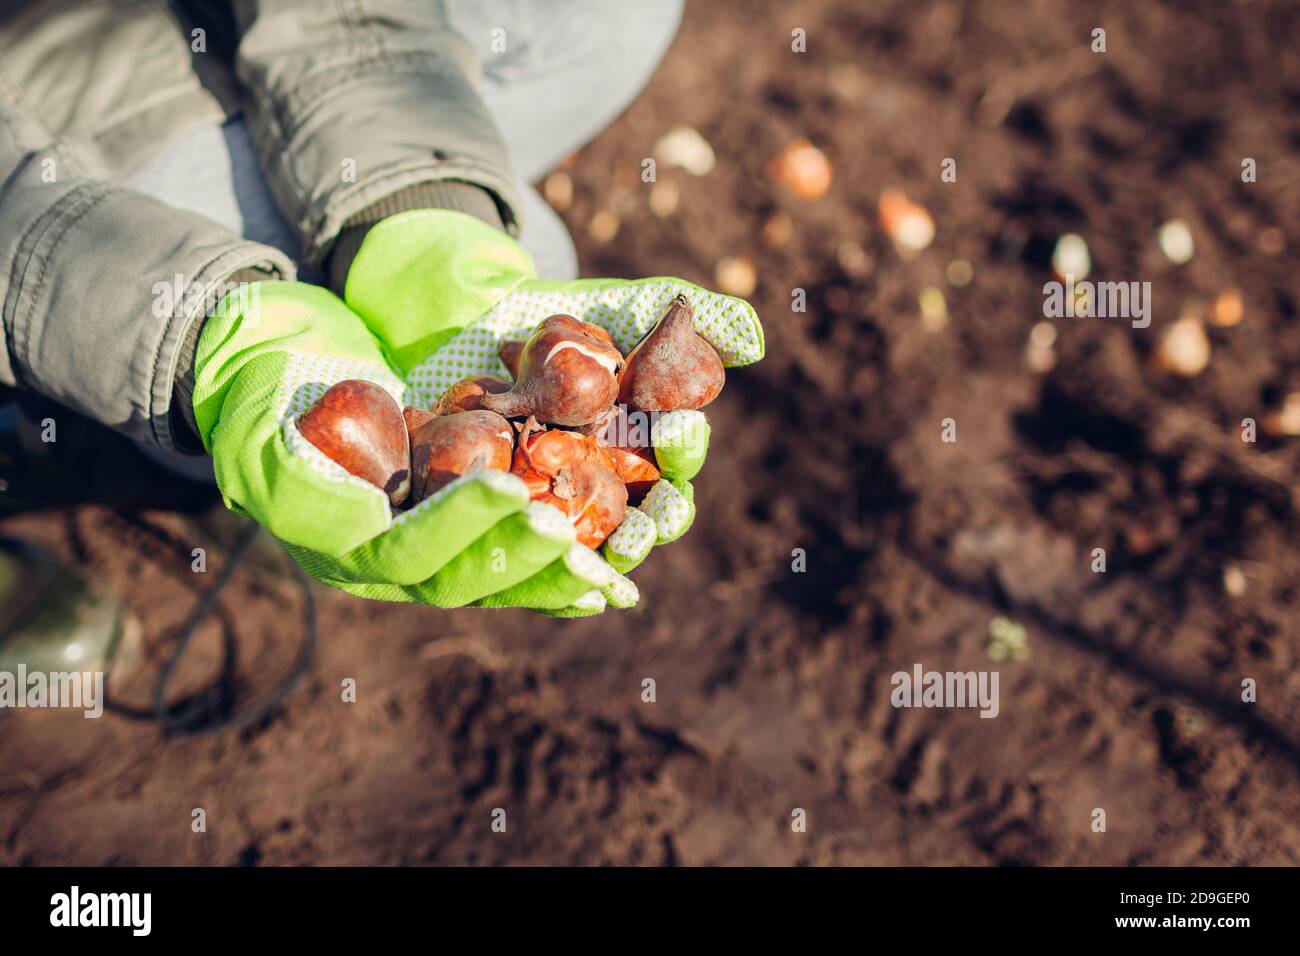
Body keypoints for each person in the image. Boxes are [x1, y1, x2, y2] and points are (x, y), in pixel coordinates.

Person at [0, 0, 764, 640]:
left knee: (609, 16)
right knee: (541, 245)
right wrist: (214, 341)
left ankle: (343, 273)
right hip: (36, 116)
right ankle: (129, 431)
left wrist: (419, 218)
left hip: (156, 24)